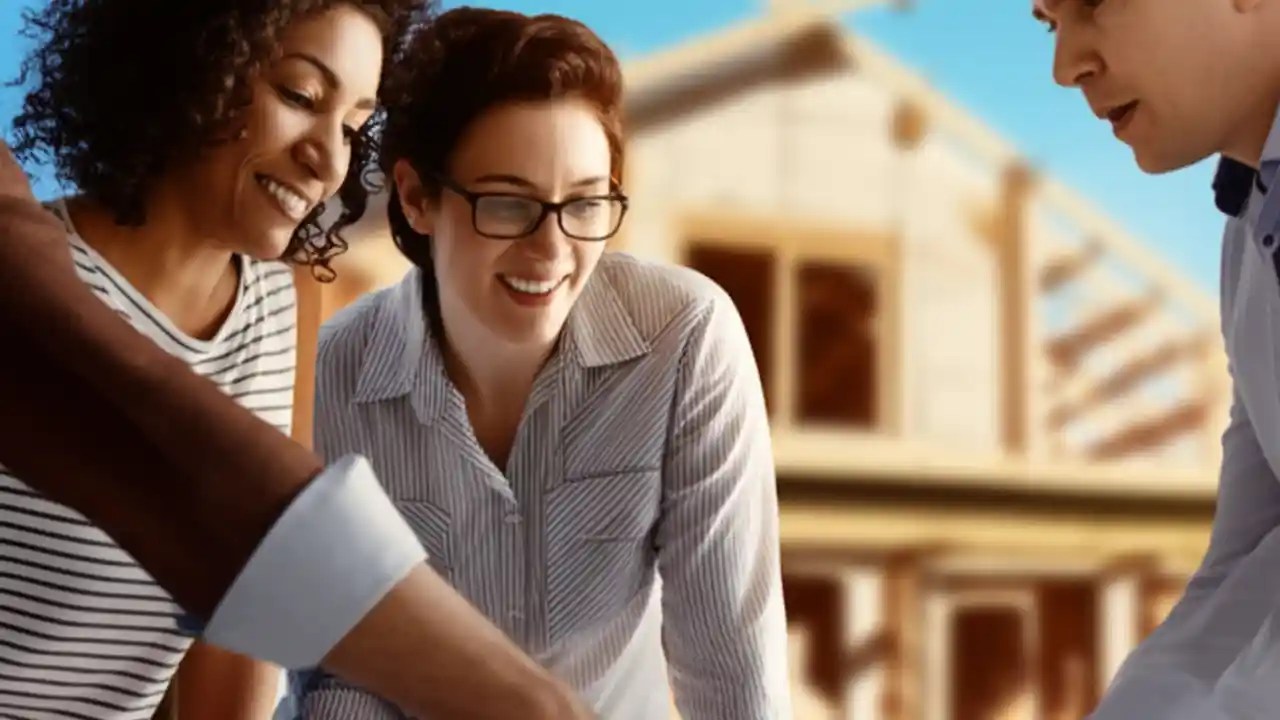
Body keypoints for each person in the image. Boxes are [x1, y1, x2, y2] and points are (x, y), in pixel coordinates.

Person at [288, 8, 792, 720]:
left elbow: (732, 671)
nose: (552, 252)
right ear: (416, 197)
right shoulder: (332, 377)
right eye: (508, 204)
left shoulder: (684, 340)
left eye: (584, 204)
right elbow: (338, 674)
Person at [0, 1, 419, 717]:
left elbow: (243, 633)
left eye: (351, 127)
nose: (327, 157)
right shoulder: (27, 279)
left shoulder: (286, 309)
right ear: (195, 65)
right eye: (299, 97)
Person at [1035, 0, 1280, 717]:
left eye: (1094, 3)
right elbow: (1247, 560)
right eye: (1049, 22)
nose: (1065, 66)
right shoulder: (1250, 231)